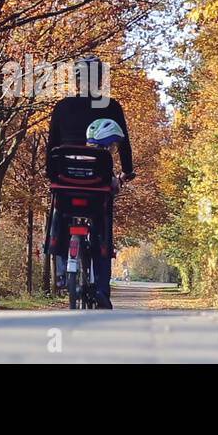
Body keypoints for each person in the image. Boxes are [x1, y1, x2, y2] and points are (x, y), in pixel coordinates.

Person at [45, 55, 135, 308]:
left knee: (59, 213)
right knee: (102, 229)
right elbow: (124, 144)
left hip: (65, 179)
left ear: (76, 80)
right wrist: (127, 172)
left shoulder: (62, 107)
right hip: (98, 182)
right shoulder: (111, 106)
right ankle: (103, 290)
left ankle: (62, 268)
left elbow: (52, 146)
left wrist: (50, 174)